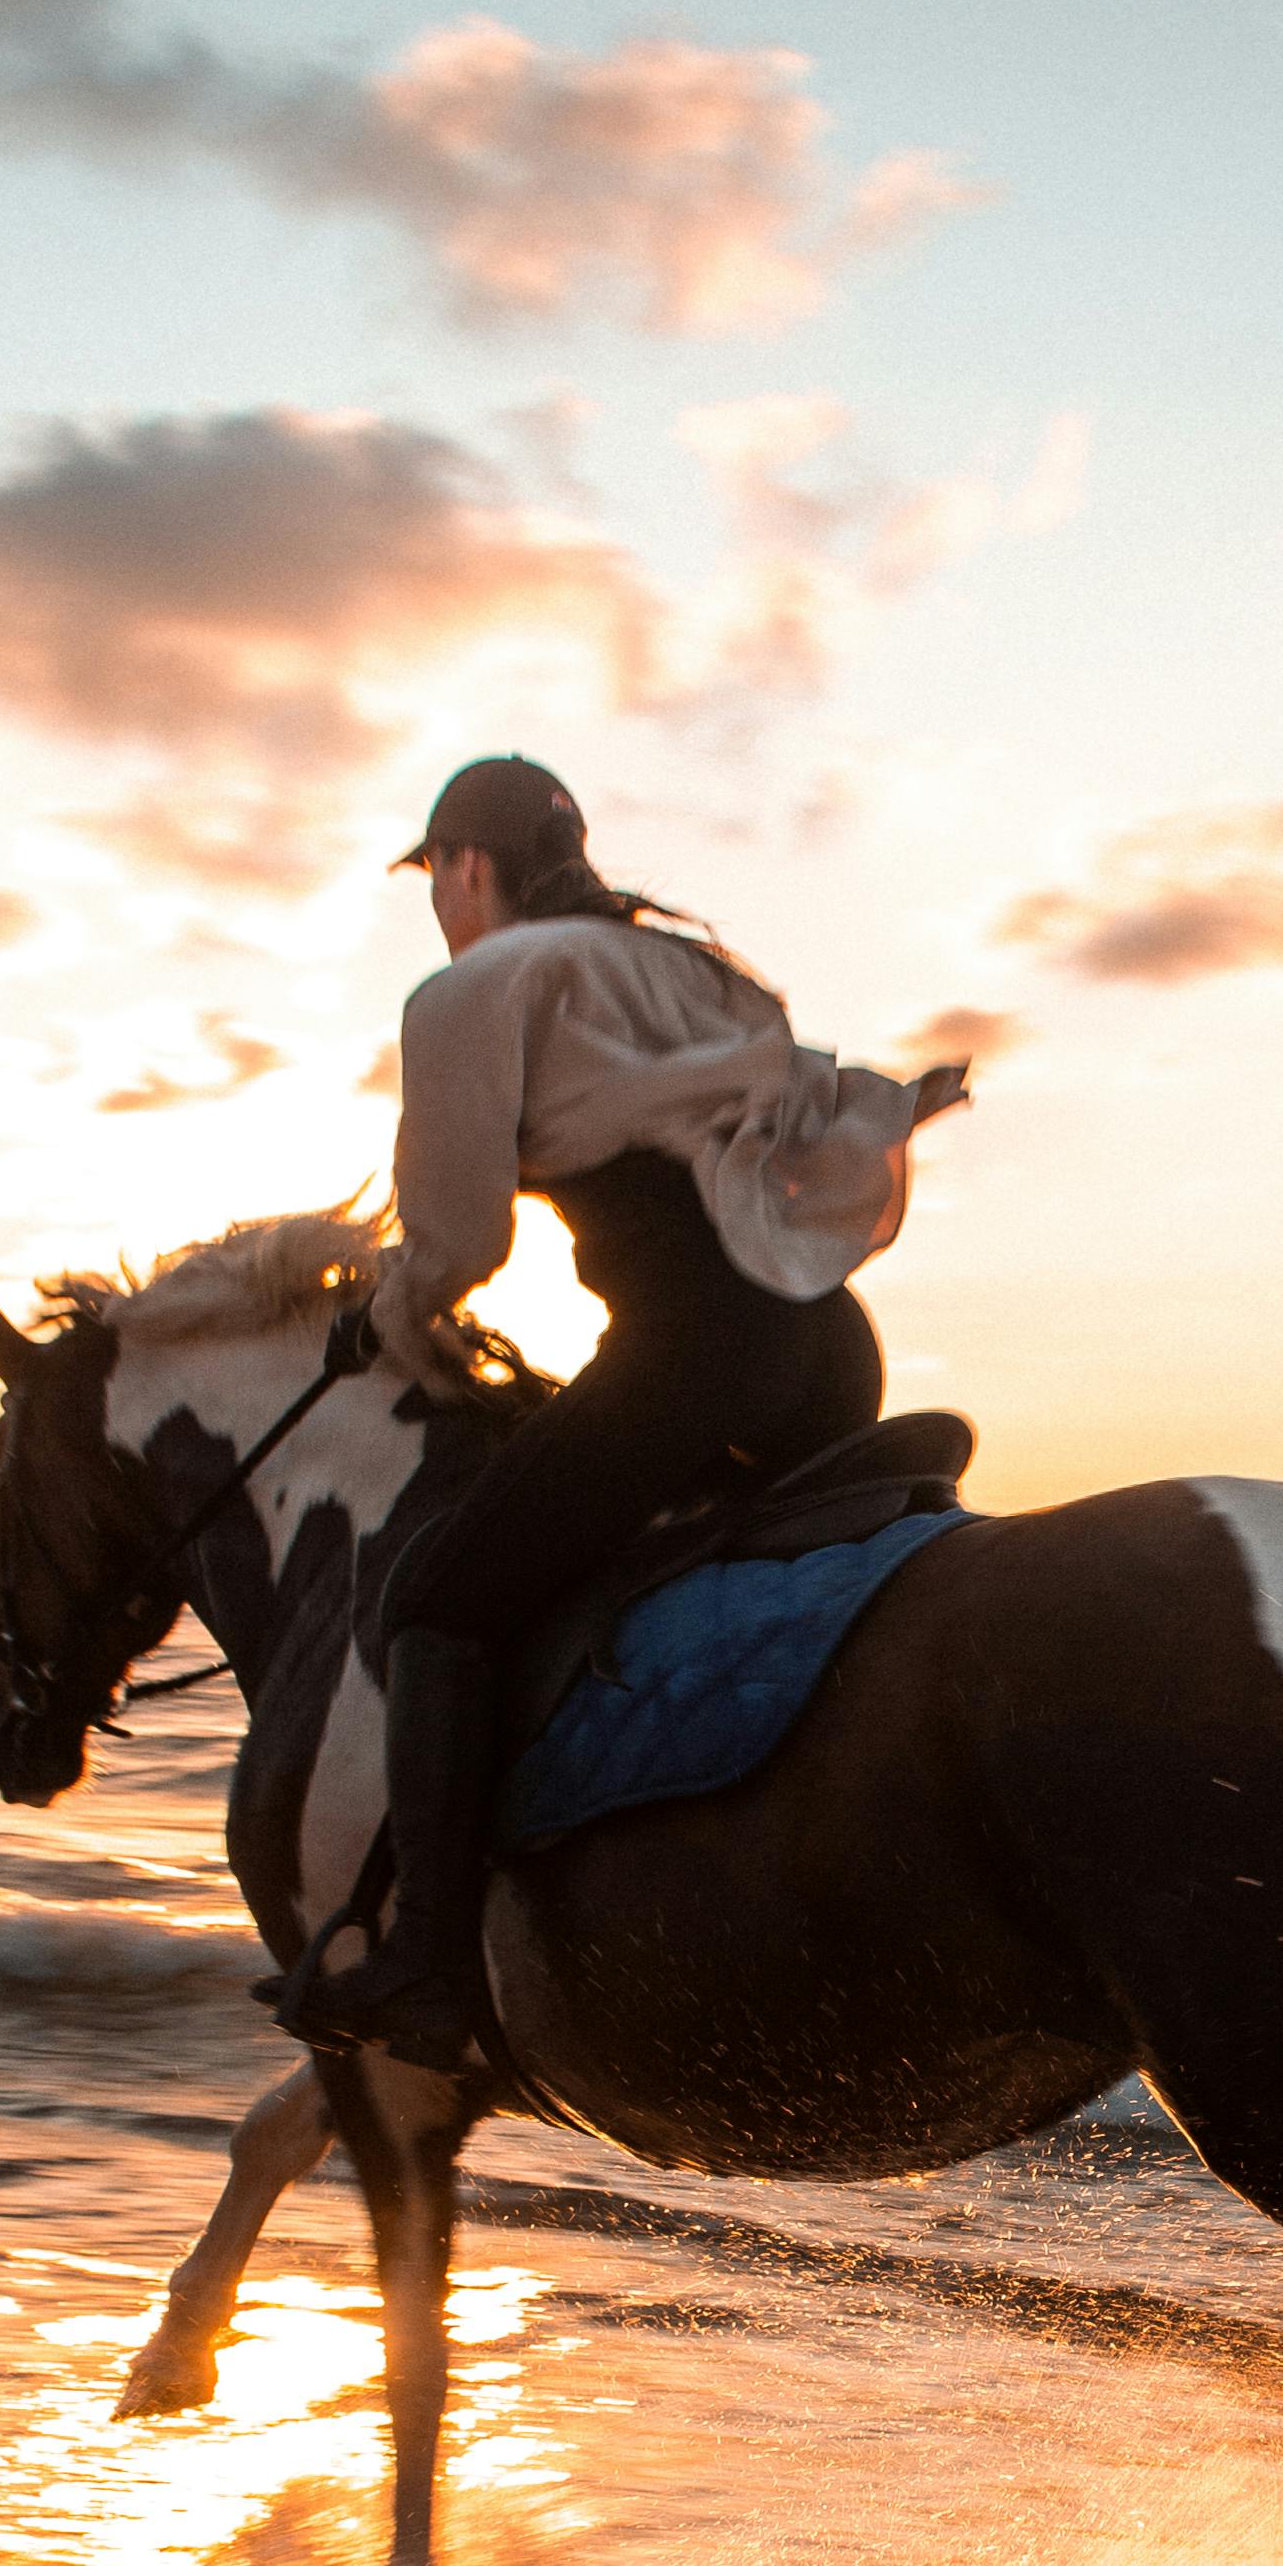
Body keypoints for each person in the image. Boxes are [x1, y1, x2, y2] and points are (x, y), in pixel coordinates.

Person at [275, 754, 967, 2069]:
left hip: (693, 1354)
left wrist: (394, 1312)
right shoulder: (698, 973)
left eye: (435, 880)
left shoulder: (474, 989)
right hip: (827, 1348)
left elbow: (460, 1233)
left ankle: (425, 1959)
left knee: (436, 1600)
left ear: (465, 867)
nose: (437, 907)